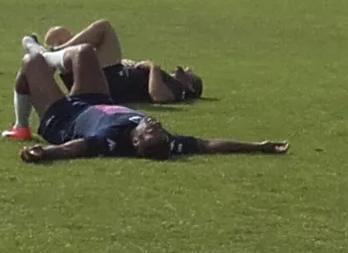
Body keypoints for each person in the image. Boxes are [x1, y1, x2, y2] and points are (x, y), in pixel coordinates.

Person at [15, 43, 287, 164]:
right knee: (85, 52)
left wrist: (45, 153)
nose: (154, 123)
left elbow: (74, 149)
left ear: (135, 142)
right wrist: (258, 147)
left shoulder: (109, 139)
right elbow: (210, 146)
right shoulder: (166, 142)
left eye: (150, 129)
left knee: (31, 64)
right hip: (96, 100)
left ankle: (21, 123)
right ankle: (48, 56)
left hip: (62, 118)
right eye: (157, 128)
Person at [3, 20, 200, 136]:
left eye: (192, 74)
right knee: (58, 33)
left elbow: (159, 96)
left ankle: (48, 54)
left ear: (191, 85)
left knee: (104, 27)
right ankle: (51, 54)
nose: (188, 68)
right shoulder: (174, 82)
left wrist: (153, 67)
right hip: (112, 76)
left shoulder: (179, 89)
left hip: (110, 83)